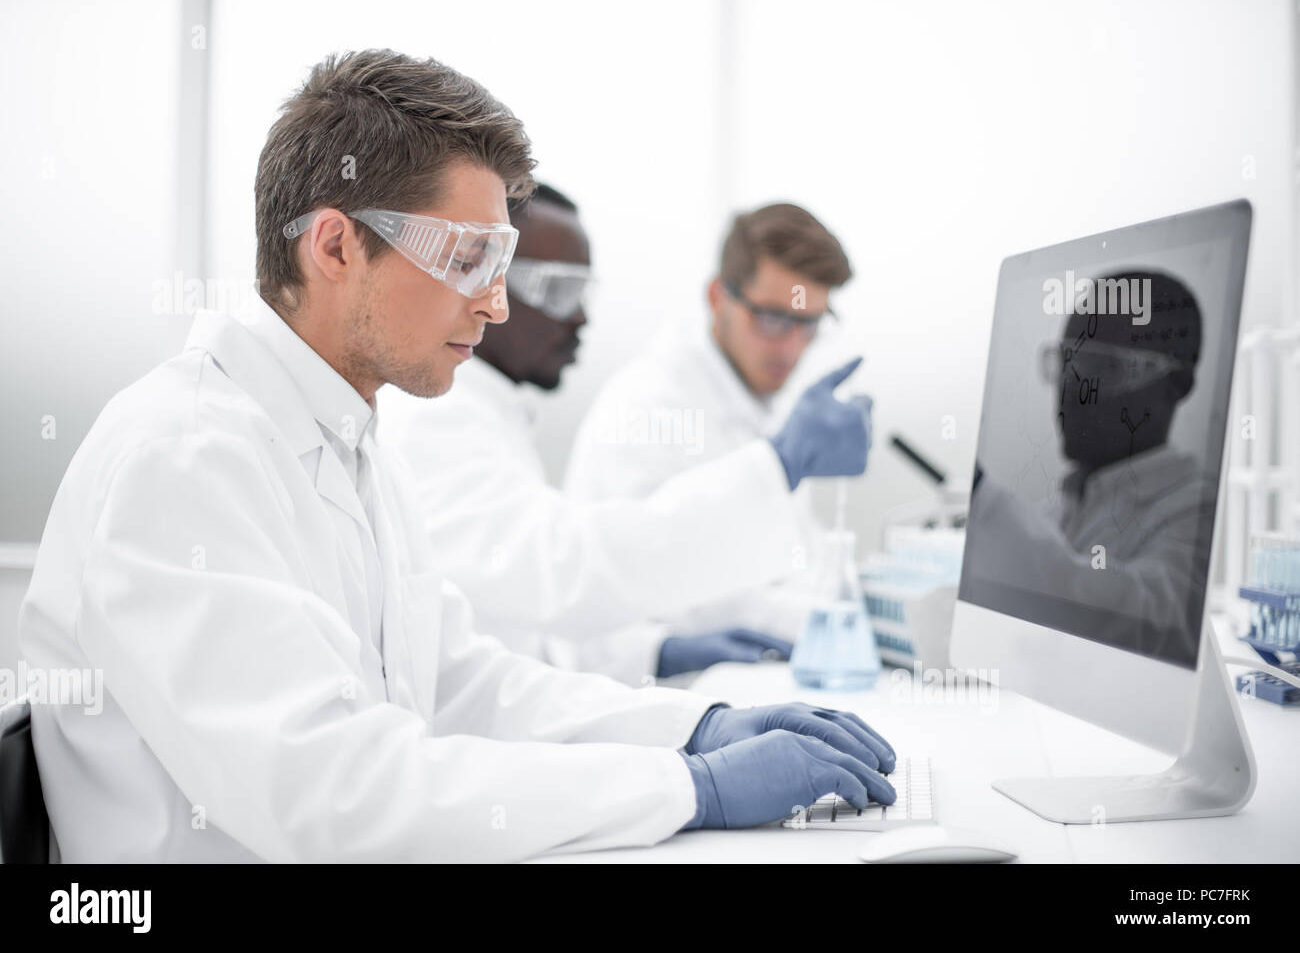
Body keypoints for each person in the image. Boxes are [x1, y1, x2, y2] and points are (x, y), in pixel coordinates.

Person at [18, 50, 896, 862]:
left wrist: (695, 728)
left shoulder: (351, 438)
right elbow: (335, 794)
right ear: (334, 246)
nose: (497, 305)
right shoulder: (182, 459)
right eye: (467, 258)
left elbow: (463, 681)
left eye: (500, 261)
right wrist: (687, 788)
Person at [379, 185, 872, 684]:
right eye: (558, 289)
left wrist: (657, 655)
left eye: (809, 325)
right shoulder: (437, 417)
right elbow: (568, 577)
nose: (581, 318)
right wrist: (780, 464)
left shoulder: (492, 413)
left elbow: (527, 630)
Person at [565, 203, 867, 641]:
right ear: (717, 297)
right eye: (773, 319)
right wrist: (829, 621)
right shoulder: (648, 409)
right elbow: (656, 589)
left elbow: (801, 559)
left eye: (810, 323)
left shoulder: (764, 400)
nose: (791, 348)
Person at [965, 270, 1216, 665]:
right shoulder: (1059, 508)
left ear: (1176, 384)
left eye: (1102, 368)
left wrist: (986, 502)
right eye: (1066, 362)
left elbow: (1148, 624)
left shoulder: (1203, 512)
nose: (1072, 387)